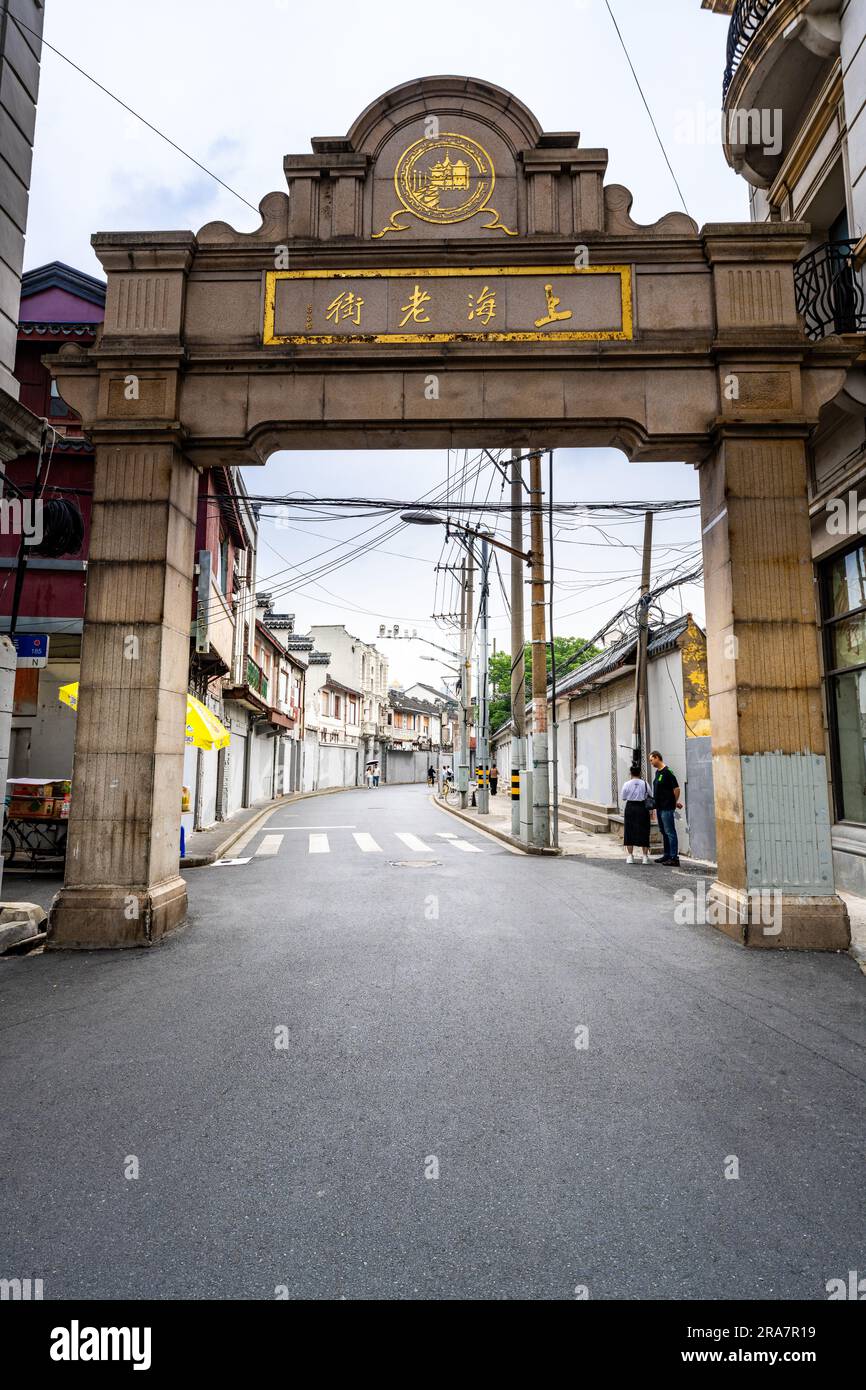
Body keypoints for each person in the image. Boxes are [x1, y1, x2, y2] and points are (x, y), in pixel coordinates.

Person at [649, 749, 682, 866]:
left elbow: (676, 789)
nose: (651, 763)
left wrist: (674, 803)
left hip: (667, 808)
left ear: (657, 758)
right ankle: (667, 854)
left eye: (651, 760)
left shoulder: (668, 772)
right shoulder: (658, 772)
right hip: (659, 807)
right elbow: (663, 791)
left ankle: (674, 857)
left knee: (670, 832)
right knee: (664, 831)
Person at [621, 763, 651, 864]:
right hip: (642, 808)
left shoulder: (626, 784)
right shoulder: (645, 783)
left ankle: (630, 856)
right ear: (640, 773)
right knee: (644, 830)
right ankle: (645, 857)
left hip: (630, 807)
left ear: (631, 773)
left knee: (629, 831)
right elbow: (650, 795)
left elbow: (623, 797)